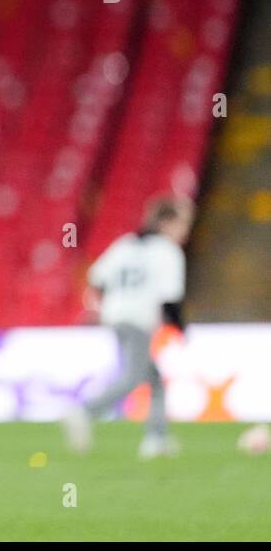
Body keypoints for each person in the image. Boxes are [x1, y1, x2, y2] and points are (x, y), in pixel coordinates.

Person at [63, 195, 193, 459]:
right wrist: (181, 328)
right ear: (167, 223)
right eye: (182, 224)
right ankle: (85, 412)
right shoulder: (167, 252)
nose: (185, 231)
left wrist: (110, 303)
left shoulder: (125, 245)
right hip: (139, 320)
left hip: (116, 317)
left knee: (154, 379)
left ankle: (157, 439)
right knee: (134, 376)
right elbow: (170, 299)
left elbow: (97, 279)